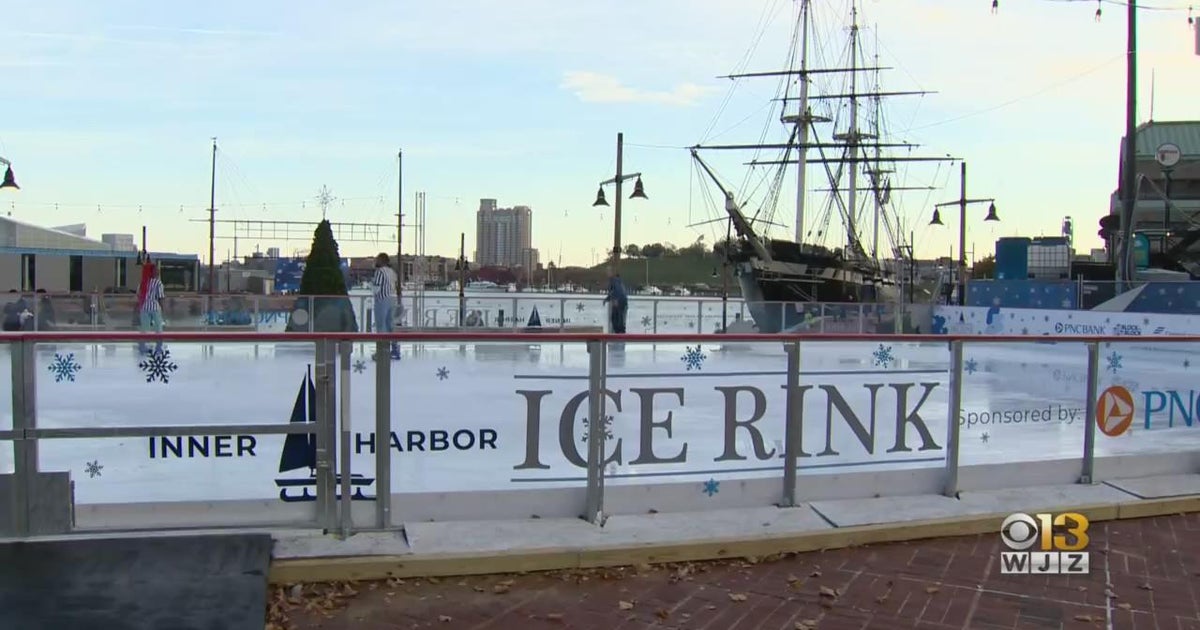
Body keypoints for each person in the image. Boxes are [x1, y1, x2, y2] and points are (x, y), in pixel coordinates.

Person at [372, 253, 400, 360]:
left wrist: (372, 289)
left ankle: (382, 351)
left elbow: (376, 288)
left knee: (381, 325)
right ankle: (395, 349)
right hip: (392, 299)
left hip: (382, 299)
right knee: (390, 325)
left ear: (381, 260)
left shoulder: (380, 272)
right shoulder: (392, 272)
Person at [136, 260, 165, 355]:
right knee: (158, 328)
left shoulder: (143, 283)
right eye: (156, 270)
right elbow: (160, 297)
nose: (158, 271)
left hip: (144, 307)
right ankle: (159, 347)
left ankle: (142, 346)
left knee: (144, 328)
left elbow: (138, 294)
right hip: (155, 307)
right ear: (152, 272)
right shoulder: (158, 283)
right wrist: (163, 309)